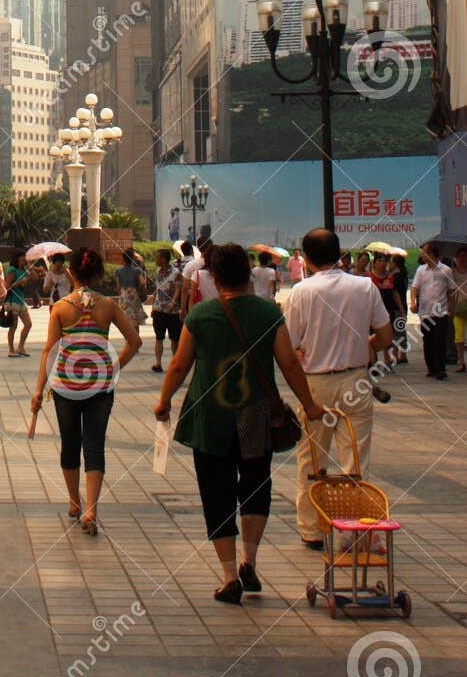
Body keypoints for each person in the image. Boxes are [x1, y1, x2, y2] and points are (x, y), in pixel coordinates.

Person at [156, 243, 324, 603]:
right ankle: (250, 560)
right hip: (255, 415)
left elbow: (179, 365)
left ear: (214, 278)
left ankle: (229, 575)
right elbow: (289, 365)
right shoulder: (267, 312)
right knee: (254, 484)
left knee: (215, 491)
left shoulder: (200, 315)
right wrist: (309, 404)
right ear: (248, 275)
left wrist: (164, 401)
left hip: (209, 417)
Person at [285, 228, 394, 547]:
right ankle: (355, 531)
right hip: (356, 380)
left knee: (312, 459)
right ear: (340, 253)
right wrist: (366, 347)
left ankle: (312, 529)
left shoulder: (301, 291)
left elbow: (288, 346)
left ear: (306, 258)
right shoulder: (364, 287)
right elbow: (386, 337)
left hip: (316, 382)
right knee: (356, 459)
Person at [31, 246, 140, 534]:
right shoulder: (108, 305)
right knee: (94, 444)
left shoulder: (61, 307)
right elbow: (135, 342)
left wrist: (38, 391)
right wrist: (113, 368)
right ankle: (91, 509)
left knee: (70, 443)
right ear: (98, 273)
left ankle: (73, 502)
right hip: (100, 387)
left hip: (66, 387)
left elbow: (49, 351)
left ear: (71, 272)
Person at [410, 240, 456, 382]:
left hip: (441, 312)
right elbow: (414, 288)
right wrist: (413, 302)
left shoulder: (446, 270)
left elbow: (452, 290)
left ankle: (440, 369)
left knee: (439, 341)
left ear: (431, 254)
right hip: (425, 312)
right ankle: (431, 368)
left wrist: (451, 308)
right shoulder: (421, 270)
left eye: (425, 252)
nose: (423, 255)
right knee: (428, 340)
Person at [368, 251, 405, 374]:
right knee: (373, 337)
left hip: (388, 310)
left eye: (384, 261)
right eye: (379, 261)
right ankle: (373, 363)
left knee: (387, 337)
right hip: (373, 311)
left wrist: (401, 309)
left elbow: (395, 294)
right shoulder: (369, 278)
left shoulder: (390, 277)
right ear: (374, 263)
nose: (382, 263)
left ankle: (388, 361)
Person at [150, 248, 182, 373]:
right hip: (159, 309)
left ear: (163, 259)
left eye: (157, 257)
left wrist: (173, 302)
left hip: (172, 311)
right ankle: (158, 363)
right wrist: (153, 307)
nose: (155, 260)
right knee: (159, 337)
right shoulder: (158, 272)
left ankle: (175, 362)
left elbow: (179, 289)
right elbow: (156, 290)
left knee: (174, 338)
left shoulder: (176, 272)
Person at [2, 249, 34, 357]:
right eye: (22, 257)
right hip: (13, 301)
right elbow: (8, 286)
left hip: (21, 300)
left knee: (28, 324)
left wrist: (30, 267)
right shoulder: (12, 270)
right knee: (13, 326)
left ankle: (21, 347)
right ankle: (11, 350)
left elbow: (35, 277)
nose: (24, 259)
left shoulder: (24, 270)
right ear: (17, 259)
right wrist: (21, 281)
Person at [114, 247, 148, 330]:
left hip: (124, 298)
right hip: (134, 297)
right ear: (132, 258)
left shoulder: (118, 271)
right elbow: (143, 283)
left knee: (125, 322)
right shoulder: (137, 270)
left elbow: (118, 287)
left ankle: (128, 341)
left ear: (123, 258)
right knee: (135, 323)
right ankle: (136, 339)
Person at [450, 244, 467, 375]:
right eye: (459, 256)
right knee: (459, 336)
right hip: (458, 308)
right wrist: (450, 307)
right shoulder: (452, 273)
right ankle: (461, 361)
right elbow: (450, 291)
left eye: (464, 256)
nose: (462, 259)